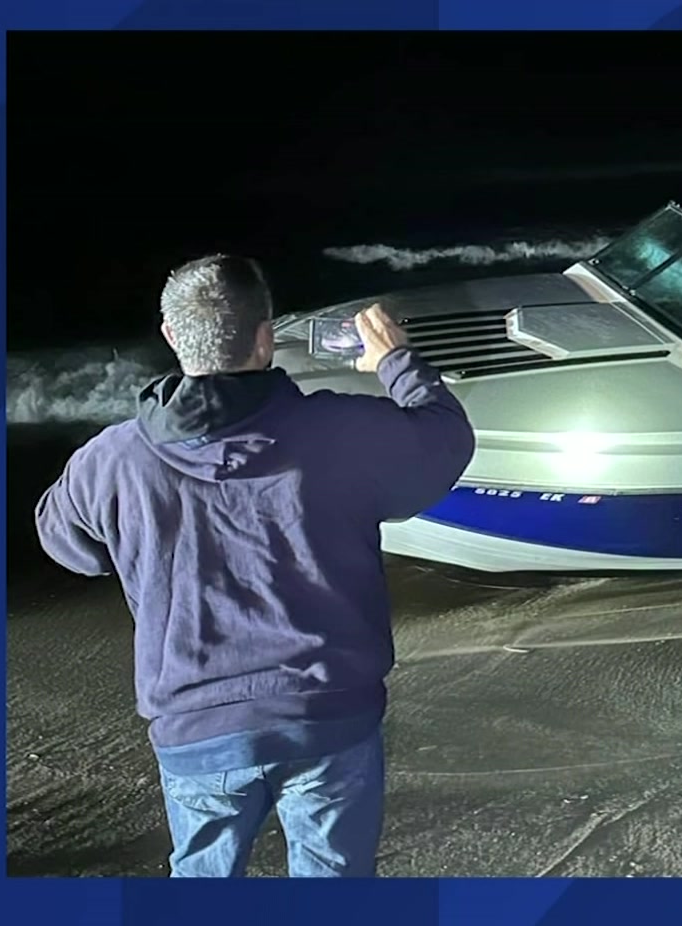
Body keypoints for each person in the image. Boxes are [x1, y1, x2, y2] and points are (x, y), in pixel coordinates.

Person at [34, 255, 475, 877]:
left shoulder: (111, 458)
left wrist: (142, 532)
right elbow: (444, 441)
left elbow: (66, 543)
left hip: (195, 722)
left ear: (171, 335)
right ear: (266, 338)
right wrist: (394, 362)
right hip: (326, 713)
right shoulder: (341, 428)